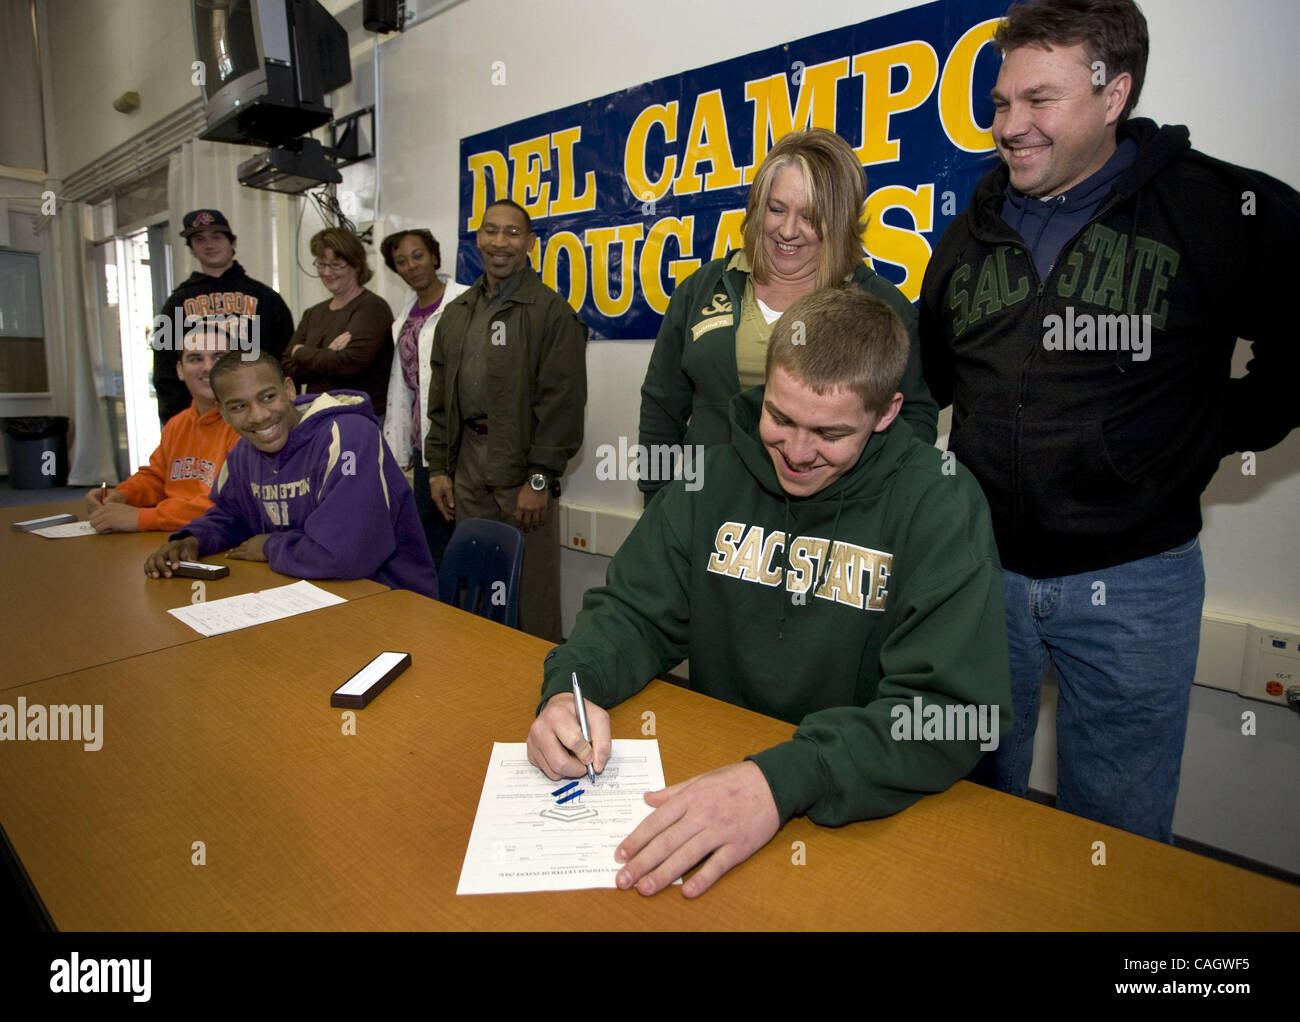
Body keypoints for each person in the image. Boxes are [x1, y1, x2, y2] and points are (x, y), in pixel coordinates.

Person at [918, 0, 1300, 842]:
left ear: (1113, 91)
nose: (1009, 126)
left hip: (1137, 583)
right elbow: (929, 381)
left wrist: (1214, 428)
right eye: (1000, 103)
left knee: (1117, 829)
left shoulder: (1214, 207)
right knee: (966, 801)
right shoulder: (972, 229)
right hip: (982, 576)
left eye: (1038, 102)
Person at [528, 287, 1010, 897]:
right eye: (779, 418)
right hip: (714, 776)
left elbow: (951, 714)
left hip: (857, 809)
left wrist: (779, 781)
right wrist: (572, 685)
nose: (798, 453)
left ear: (887, 412)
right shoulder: (715, 476)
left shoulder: (940, 505)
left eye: (830, 433)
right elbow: (631, 613)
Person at [637, 128, 938, 504]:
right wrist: (655, 498)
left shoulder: (877, 303)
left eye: (810, 217)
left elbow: (915, 415)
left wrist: (869, 499)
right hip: (709, 505)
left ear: (840, 220)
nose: (788, 230)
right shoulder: (703, 288)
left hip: (825, 519)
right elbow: (661, 405)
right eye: (776, 209)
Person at [144, 350, 437, 599]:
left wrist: (270, 546)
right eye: (238, 406)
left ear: (289, 389)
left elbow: (345, 556)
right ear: (222, 411)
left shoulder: (348, 437)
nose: (258, 416)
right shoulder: (243, 454)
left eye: (268, 397)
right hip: (306, 595)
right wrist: (193, 540)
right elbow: (232, 516)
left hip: (388, 599)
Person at [425, 200, 587, 643]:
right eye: (491, 231)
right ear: (477, 238)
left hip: (522, 469)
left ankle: (543, 692)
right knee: (473, 589)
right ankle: (476, 680)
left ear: (530, 243)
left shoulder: (550, 312)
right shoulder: (456, 314)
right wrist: (438, 467)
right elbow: (439, 399)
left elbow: (563, 406)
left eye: (513, 233)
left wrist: (539, 479)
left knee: (530, 597)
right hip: (467, 466)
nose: (500, 243)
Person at [88, 326, 237, 532]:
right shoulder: (177, 424)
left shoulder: (244, 425)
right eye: (195, 359)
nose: (207, 367)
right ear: (180, 370)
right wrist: (121, 495)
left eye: (218, 357)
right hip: (166, 531)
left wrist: (142, 517)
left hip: (212, 535)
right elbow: (156, 477)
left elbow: (227, 504)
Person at [153, 209, 294, 426]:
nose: (209, 245)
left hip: (259, 417)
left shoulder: (267, 299)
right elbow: (165, 371)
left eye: (216, 237)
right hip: (199, 421)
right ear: (191, 248)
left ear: (233, 242)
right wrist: (175, 423)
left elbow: (287, 362)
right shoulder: (174, 305)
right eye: (200, 239)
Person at [380, 228, 470, 568]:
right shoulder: (403, 316)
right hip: (423, 444)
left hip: (460, 443)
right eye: (401, 261)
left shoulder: (464, 301)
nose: (411, 265)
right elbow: (403, 386)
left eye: (417, 255)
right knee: (431, 537)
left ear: (434, 255)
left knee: (460, 532)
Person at [282, 227, 395, 423]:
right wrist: (328, 353)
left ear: (356, 264)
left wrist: (301, 352)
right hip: (316, 416)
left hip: (360, 419)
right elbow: (287, 368)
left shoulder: (372, 308)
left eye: (336, 264)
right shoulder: (313, 313)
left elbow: (349, 364)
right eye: (321, 264)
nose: (326, 272)